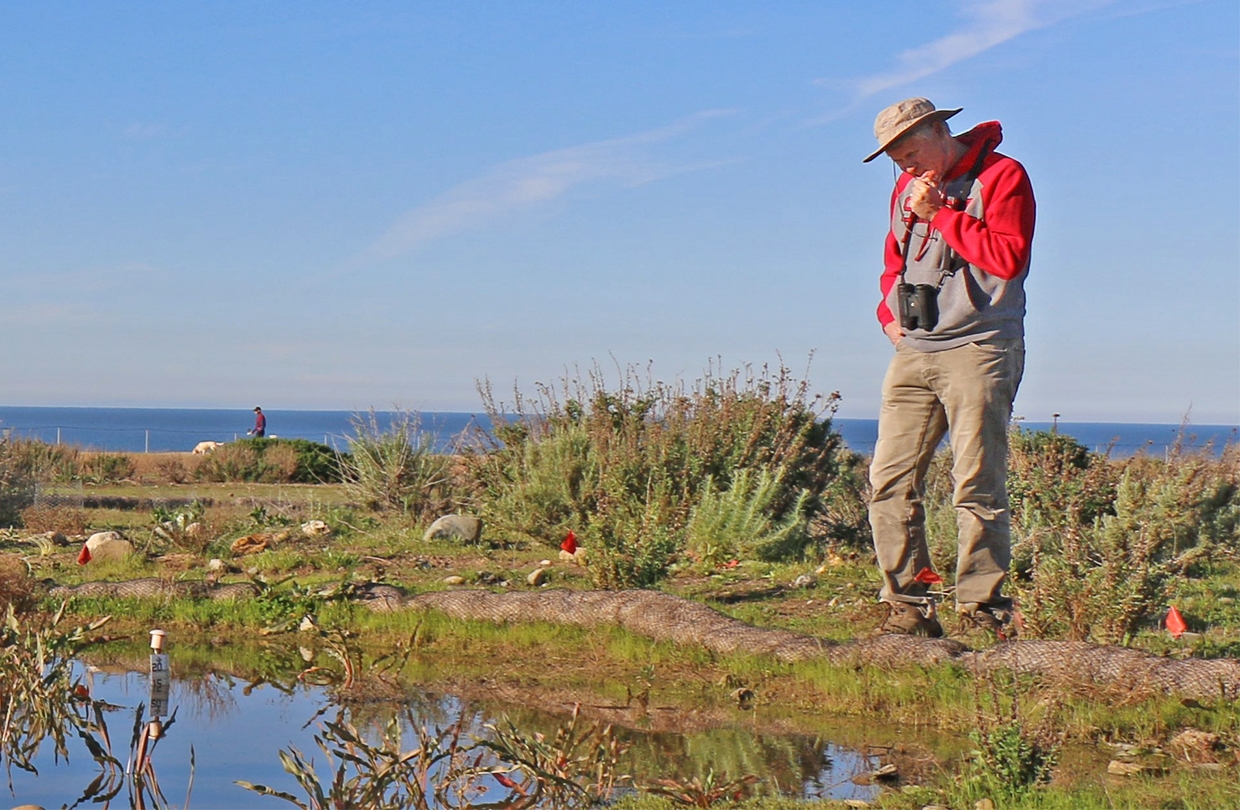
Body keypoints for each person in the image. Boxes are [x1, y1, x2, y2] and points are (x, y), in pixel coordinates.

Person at [862, 98, 1036, 638]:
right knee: (888, 481)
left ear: (940, 131)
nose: (906, 168)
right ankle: (907, 606)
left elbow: (1008, 258)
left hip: (981, 346)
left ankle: (981, 608)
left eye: (911, 153)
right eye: (896, 160)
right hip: (915, 348)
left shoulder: (1002, 177)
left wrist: (942, 214)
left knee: (976, 484)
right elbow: (895, 259)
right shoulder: (904, 188)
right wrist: (888, 314)